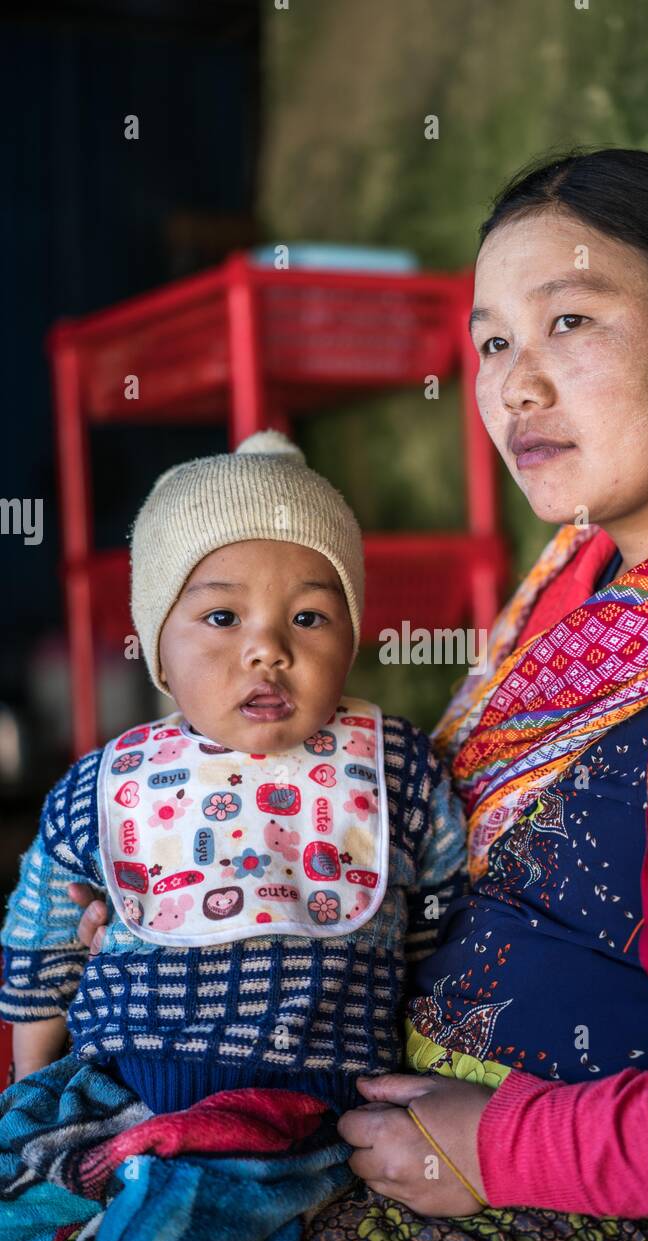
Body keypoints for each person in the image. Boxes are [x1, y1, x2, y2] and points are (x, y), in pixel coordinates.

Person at [71, 147, 648, 1241]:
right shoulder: (577, 585)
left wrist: (501, 1145)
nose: (515, 387)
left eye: (570, 322)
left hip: (583, 1221)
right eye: (493, 341)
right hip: (362, 1113)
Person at [0, 429, 468, 1121]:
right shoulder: (104, 785)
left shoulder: (395, 769)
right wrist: (28, 1087)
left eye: (309, 617)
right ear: (158, 641)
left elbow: (442, 924)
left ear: (352, 636)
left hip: (330, 1107)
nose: (268, 650)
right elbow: (42, 942)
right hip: (124, 1095)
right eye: (222, 617)